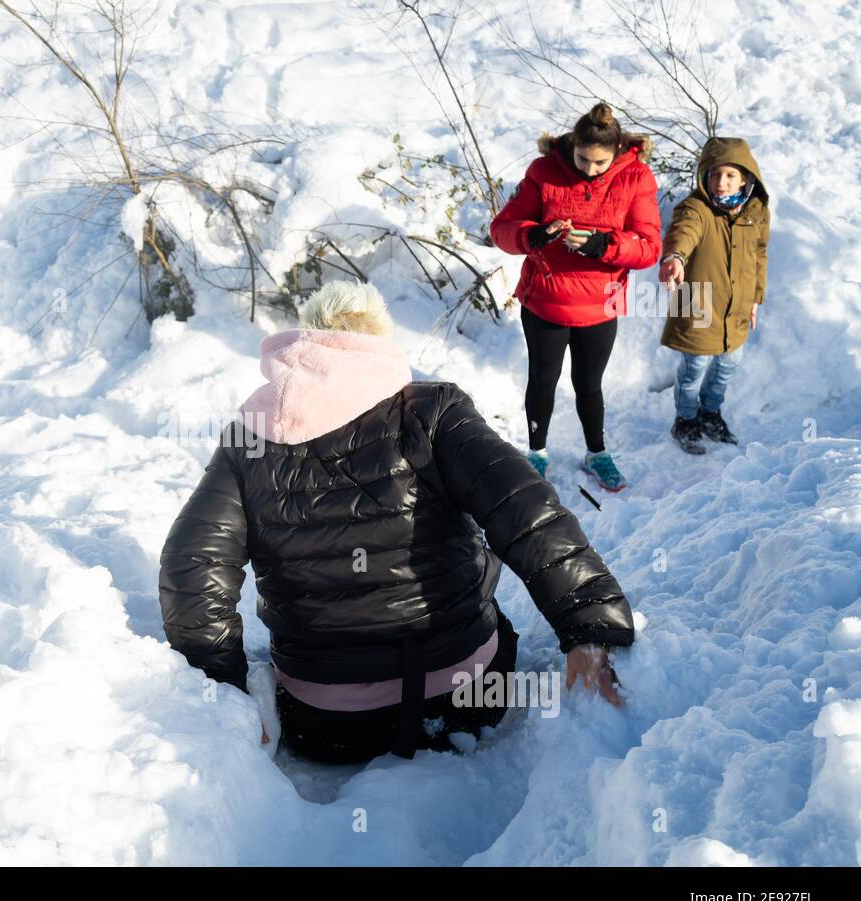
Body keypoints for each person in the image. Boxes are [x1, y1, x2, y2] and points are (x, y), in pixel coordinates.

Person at [157, 280, 634, 764]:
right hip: (465, 699)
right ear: (378, 343)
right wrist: (590, 624)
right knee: (483, 588)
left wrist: (227, 690)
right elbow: (525, 508)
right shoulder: (431, 411)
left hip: (323, 720)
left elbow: (190, 566)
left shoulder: (250, 438)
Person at [490, 102, 662, 492]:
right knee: (542, 380)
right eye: (582, 159)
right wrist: (534, 235)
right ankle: (536, 452)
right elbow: (502, 228)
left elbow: (649, 246)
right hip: (546, 299)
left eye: (600, 163)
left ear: (618, 151)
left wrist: (603, 244)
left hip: (600, 303)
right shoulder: (544, 171)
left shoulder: (637, 177)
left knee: (589, 384)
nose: (590, 169)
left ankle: (596, 453)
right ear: (572, 147)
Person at [658, 137, 770, 454]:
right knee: (695, 367)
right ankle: (686, 419)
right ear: (705, 175)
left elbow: (760, 256)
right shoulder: (696, 208)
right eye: (715, 174)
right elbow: (683, 232)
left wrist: (754, 299)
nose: (721, 183)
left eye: (730, 176)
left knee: (726, 366)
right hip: (698, 299)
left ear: (746, 177)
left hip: (736, 304)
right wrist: (674, 258)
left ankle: (710, 414)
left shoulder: (757, 212)